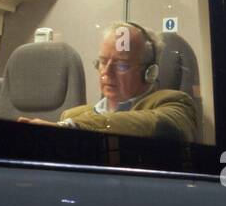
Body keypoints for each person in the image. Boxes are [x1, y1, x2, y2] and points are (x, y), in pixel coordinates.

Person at [20, 23, 195, 140]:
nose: (106, 72)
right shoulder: (72, 115)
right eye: (103, 62)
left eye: (121, 65)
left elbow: (150, 125)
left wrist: (73, 128)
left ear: (150, 72)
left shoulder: (175, 103)